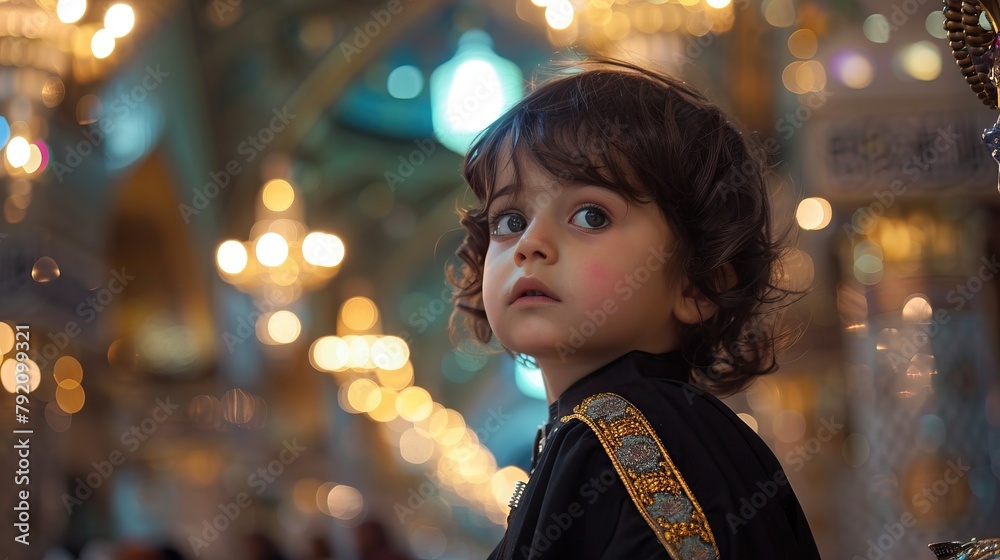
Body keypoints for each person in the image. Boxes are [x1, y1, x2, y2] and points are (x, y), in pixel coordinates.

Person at [446, 57, 822, 559]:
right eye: (510, 220)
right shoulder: (604, 429)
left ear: (699, 285)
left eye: (590, 215)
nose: (530, 244)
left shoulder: (627, 426)